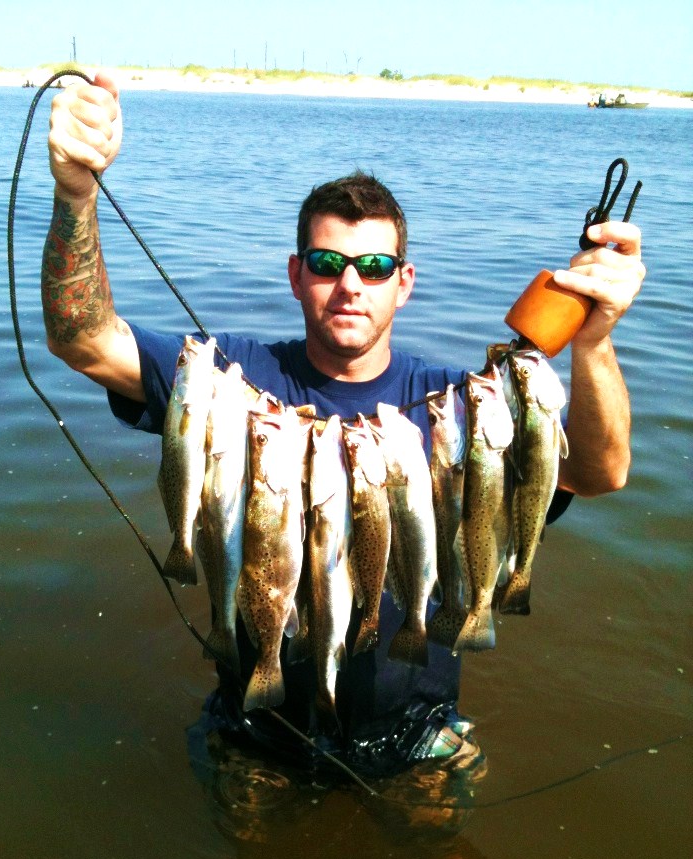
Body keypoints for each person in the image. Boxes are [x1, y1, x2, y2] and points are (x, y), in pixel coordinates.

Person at [42, 73, 645, 788]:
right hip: (255, 733)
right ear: (297, 276)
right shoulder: (231, 377)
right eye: (328, 265)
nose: (350, 284)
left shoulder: (456, 402)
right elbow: (81, 338)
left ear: (405, 281)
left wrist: (595, 340)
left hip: (422, 737)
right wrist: (78, 192)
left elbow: (600, 473)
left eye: (374, 265)